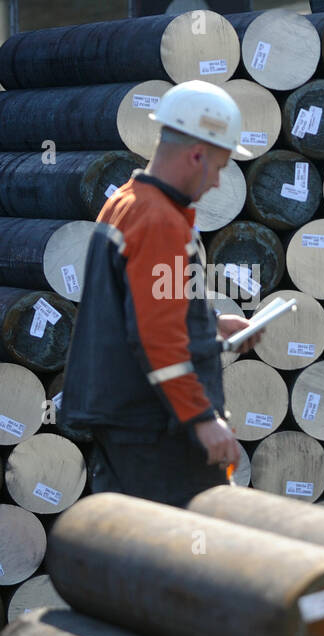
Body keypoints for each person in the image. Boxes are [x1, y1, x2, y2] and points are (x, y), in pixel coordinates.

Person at [61, 80, 264, 507]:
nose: (216, 183)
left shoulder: (128, 202)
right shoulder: (160, 222)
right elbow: (155, 336)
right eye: (220, 167)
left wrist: (212, 327)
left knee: (131, 551)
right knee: (178, 554)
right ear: (196, 155)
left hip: (128, 424)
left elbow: (144, 308)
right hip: (156, 430)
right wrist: (202, 418)